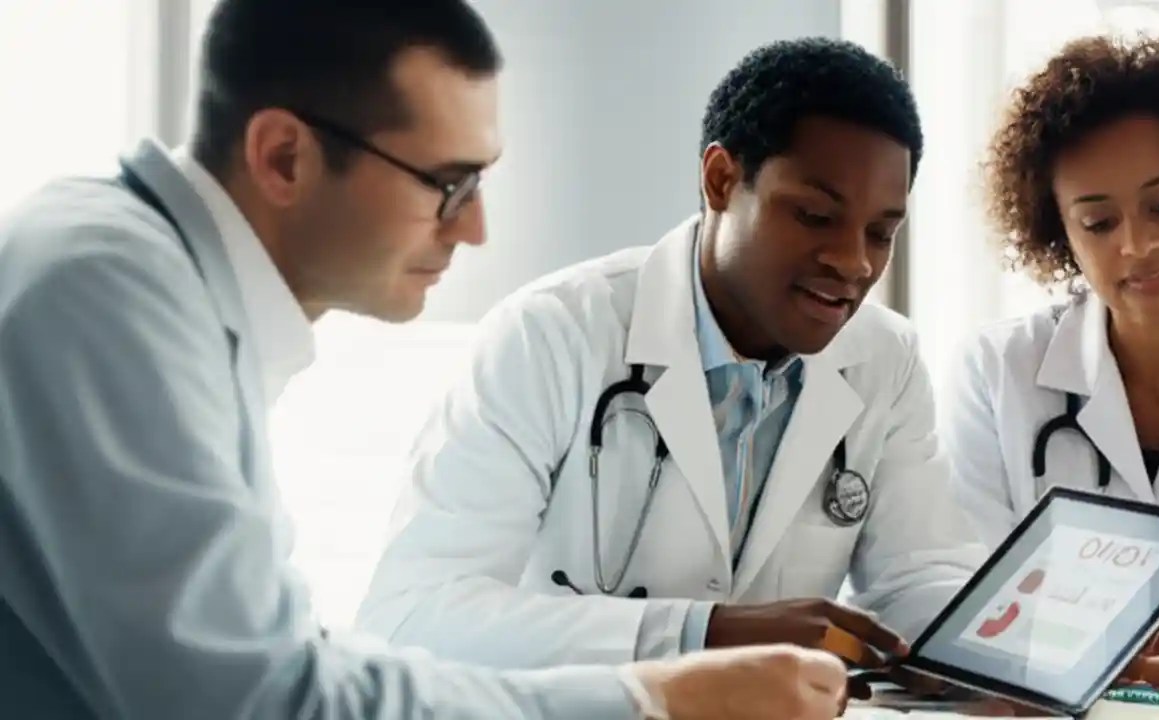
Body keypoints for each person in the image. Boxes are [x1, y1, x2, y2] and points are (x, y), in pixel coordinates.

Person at [0, 2, 853, 718]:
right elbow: (258, 697)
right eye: (448, 183)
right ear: (283, 157)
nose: (475, 228)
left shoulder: (142, 272)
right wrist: (653, 698)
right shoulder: (110, 292)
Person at [354, 37, 987, 673]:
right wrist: (703, 633)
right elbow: (413, 616)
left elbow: (920, 580)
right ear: (721, 180)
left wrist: (1003, 654)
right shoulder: (551, 335)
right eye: (815, 215)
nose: (853, 262)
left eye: (881, 233)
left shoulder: (885, 357)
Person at [943, 33, 1159, 702]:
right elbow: (958, 604)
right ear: (1060, 234)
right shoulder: (999, 372)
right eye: (1097, 222)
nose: (1137, 245)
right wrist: (1122, 661)